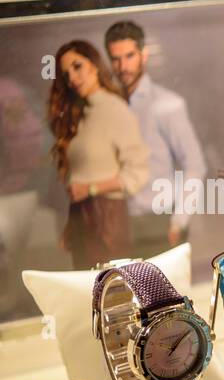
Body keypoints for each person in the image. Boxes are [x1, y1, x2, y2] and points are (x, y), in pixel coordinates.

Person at [46, 40, 149, 269]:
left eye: (77, 66)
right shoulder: (79, 114)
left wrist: (90, 189)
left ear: (93, 64)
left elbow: (137, 173)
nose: (72, 78)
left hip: (107, 218)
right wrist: (72, 223)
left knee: (109, 295)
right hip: (81, 216)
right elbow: (79, 178)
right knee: (86, 294)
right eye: (66, 73)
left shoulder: (115, 109)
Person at [105, 20, 207, 247]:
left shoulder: (168, 105)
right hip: (115, 222)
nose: (123, 66)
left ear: (144, 55)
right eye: (116, 58)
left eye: (129, 56)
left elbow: (195, 166)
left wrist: (179, 220)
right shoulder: (105, 107)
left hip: (160, 220)